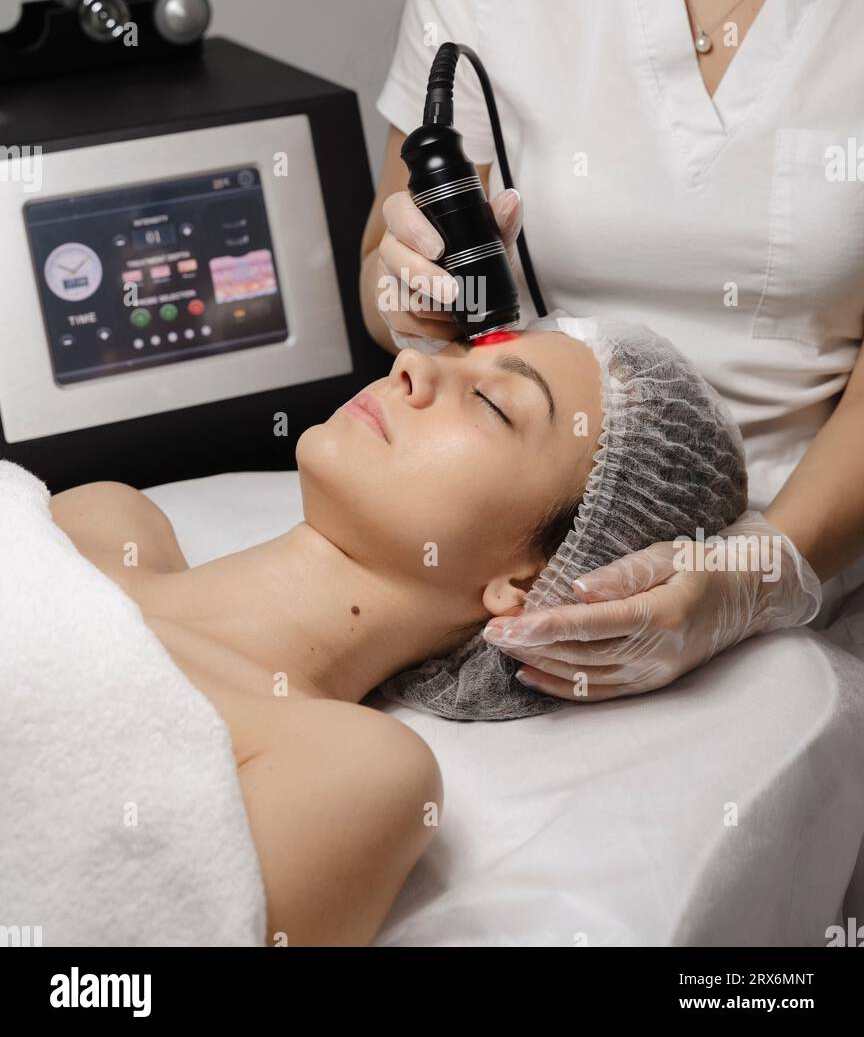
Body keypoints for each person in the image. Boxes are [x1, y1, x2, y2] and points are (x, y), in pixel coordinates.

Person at [359, 0, 864, 701]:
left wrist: (755, 574)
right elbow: (392, 235)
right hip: (499, 560)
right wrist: (401, 289)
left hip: (809, 577)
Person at [47, 315, 756, 941]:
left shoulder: (353, 773)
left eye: (490, 402)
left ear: (530, 588)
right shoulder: (103, 517)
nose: (410, 363)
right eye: (462, 352)